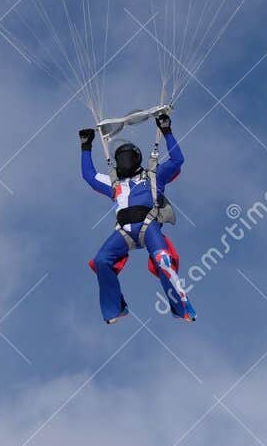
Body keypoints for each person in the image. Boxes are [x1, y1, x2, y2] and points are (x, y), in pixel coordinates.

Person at [81, 110, 194, 323]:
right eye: (121, 158)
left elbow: (178, 159)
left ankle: (182, 308)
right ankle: (115, 309)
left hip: (149, 226)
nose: (124, 161)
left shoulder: (154, 176)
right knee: (101, 261)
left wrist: (167, 131)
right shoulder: (114, 184)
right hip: (124, 232)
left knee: (163, 261)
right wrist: (86, 146)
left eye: (128, 157)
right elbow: (89, 175)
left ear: (137, 158)